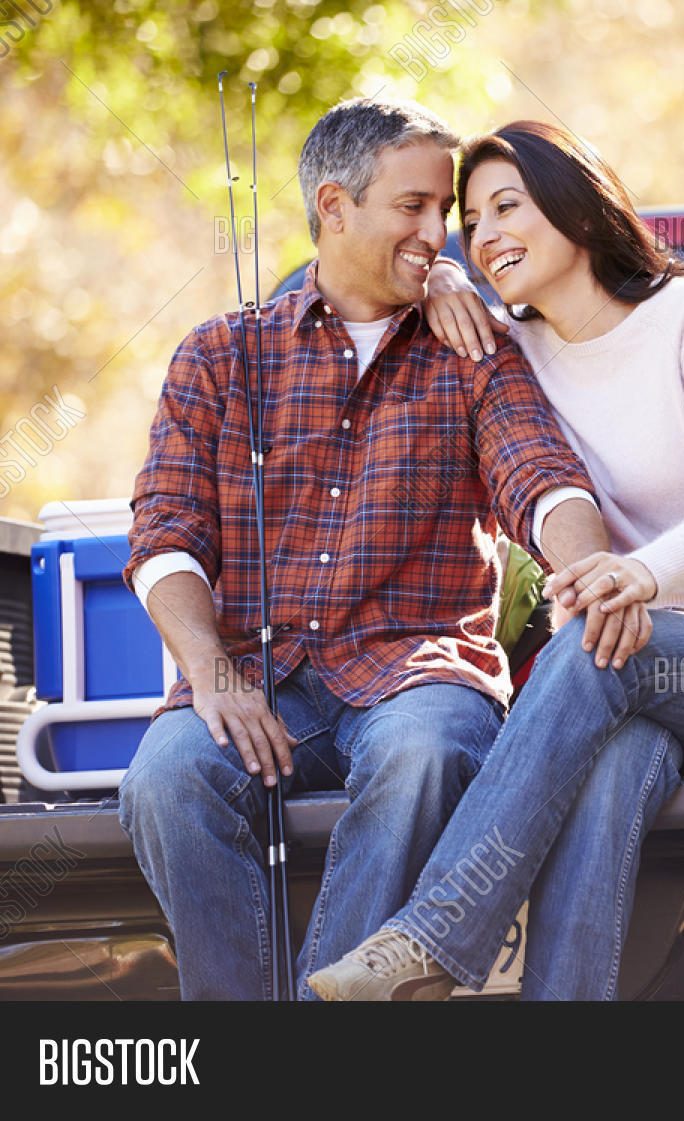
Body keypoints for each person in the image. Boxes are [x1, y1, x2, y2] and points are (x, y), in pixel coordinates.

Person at [118, 99, 642, 1001]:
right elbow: (166, 533)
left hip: (417, 673)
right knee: (163, 778)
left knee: (426, 751)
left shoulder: (472, 349)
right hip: (252, 675)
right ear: (334, 206)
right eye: (416, 208)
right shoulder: (216, 355)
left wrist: (588, 568)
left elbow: (540, 478)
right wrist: (207, 666)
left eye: (446, 211)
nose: (441, 234)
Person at [309, 121, 684, 1001]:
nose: (485, 235)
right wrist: (437, 273)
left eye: (507, 206)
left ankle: (437, 935)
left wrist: (641, 574)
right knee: (615, 767)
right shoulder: (514, 353)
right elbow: (417, 283)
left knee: (590, 643)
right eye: (470, 222)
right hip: (621, 658)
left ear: (578, 207)